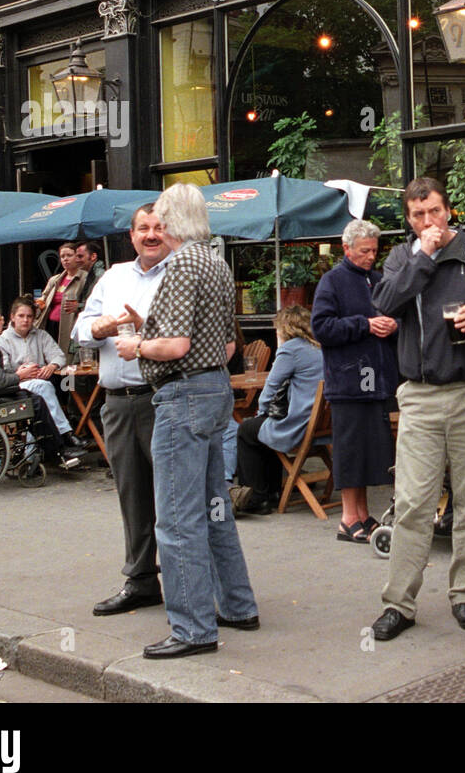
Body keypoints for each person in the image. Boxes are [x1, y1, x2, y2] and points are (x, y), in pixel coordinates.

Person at [114, 184, 258, 659]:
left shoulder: (180, 267)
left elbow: (174, 347)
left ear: (172, 221)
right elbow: (226, 346)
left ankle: (193, 629)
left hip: (182, 395)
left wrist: (136, 345)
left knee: (177, 518)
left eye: (159, 219)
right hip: (214, 386)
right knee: (215, 505)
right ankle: (236, 605)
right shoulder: (216, 262)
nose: (156, 227)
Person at [367, 176, 465, 641]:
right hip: (420, 395)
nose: (427, 222)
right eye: (417, 216)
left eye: (433, 211)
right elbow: (385, 302)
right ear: (408, 220)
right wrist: (422, 257)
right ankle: (399, 604)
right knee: (412, 502)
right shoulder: (401, 257)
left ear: (449, 210)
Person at [74, 203, 172, 617]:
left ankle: (192, 586)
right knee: (132, 496)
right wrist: (98, 328)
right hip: (116, 402)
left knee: (174, 499)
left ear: (171, 232)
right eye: (143, 228)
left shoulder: (181, 275)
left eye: (158, 228)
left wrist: (144, 326)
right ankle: (141, 581)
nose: (150, 235)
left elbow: (189, 337)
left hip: (163, 399)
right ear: (131, 236)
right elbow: (81, 327)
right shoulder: (112, 276)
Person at [311, 219, 398, 541]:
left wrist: (394, 326)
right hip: (348, 380)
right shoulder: (331, 282)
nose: (370, 256)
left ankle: (362, 514)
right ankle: (348, 519)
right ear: (346, 249)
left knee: (366, 450)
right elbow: (321, 328)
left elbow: (397, 315)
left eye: (374, 250)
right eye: (364, 251)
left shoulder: (378, 279)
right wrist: (365, 324)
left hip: (374, 379)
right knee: (349, 449)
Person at [0, 306, 88, 470]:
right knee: (35, 402)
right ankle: (57, 450)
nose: (2, 320)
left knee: (34, 393)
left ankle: (47, 447)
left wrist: (19, 374)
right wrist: (21, 375)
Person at [231, 305, 325, 517]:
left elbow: (270, 388)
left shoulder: (291, 349)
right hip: (321, 425)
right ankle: (272, 492)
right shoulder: (321, 347)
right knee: (261, 427)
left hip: (298, 425)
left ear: (285, 328)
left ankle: (256, 496)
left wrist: (260, 412)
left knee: (247, 429)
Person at [0, 295, 90, 463]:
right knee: (44, 387)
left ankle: (35, 455)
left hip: (41, 383)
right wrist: (21, 373)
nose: (25, 320)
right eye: (21, 316)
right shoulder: (2, 341)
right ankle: (65, 434)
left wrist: (51, 366)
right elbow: (2, 370)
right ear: (12, 317)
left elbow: (59, 356)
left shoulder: (40, 335)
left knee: (63, 385)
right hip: (17, 386)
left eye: (29, 316)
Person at [35, 242, 87, 357]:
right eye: (62, 256)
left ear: (76, 257)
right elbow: (44, 297)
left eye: (69, 255)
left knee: (66, 358)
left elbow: (91, 303)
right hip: (50, 325)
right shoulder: (55, 279)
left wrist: (79, 306)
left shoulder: (84, 278)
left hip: (70, 325)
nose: (65, 259)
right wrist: (39, 303)